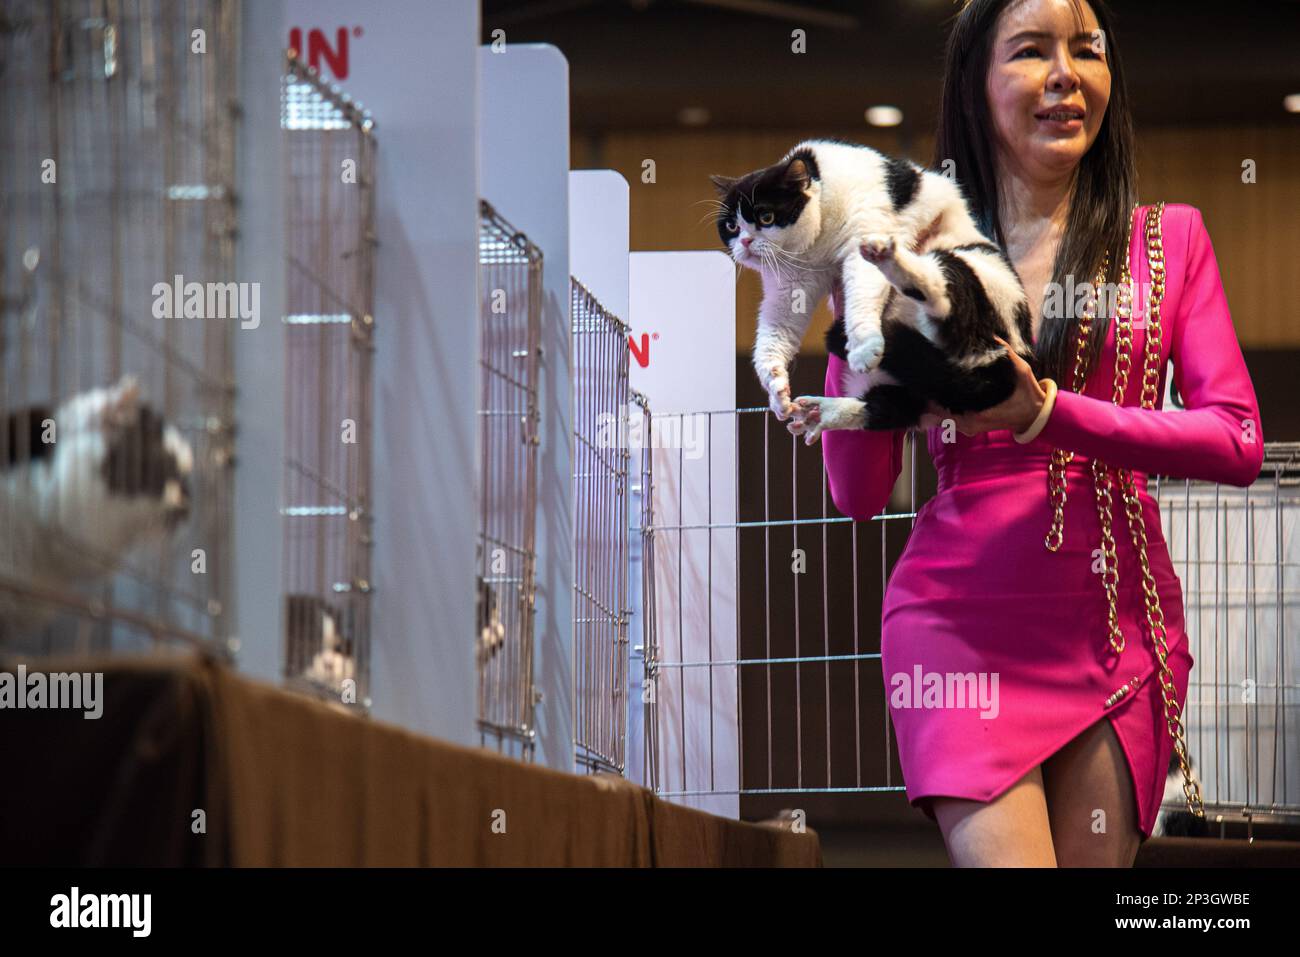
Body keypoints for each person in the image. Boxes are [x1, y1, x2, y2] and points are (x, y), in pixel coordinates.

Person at [816, 0, 1264, 866]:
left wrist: (1050, 413)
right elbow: (858, 491)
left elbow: (1237, 439)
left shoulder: (1169, 242)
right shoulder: (916, 255)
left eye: (1086, 51)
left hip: (1113, 627)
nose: (1066, 74)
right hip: (955, 625)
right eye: (1031, 51)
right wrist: (854, 317)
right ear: (978, 87)